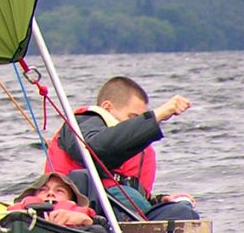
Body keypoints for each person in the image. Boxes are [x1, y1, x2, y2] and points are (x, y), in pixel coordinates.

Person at [44, 75, 199, 222]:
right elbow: (95, 149)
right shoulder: (81, 125)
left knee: (183, 211)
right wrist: (156, 116)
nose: (137, 126)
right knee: (112, 188)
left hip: (122, 219)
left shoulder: (138, 149)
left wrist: (159, 201)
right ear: (107, 108)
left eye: (140, 119)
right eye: (133, 117)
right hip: (80, 215)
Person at [8, 171, 104, 230]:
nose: (50, 193)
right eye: (43, 190)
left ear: (71, 200)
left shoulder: (84, 220)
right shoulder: (15, 215)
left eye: (59, 191)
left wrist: (86, 221)